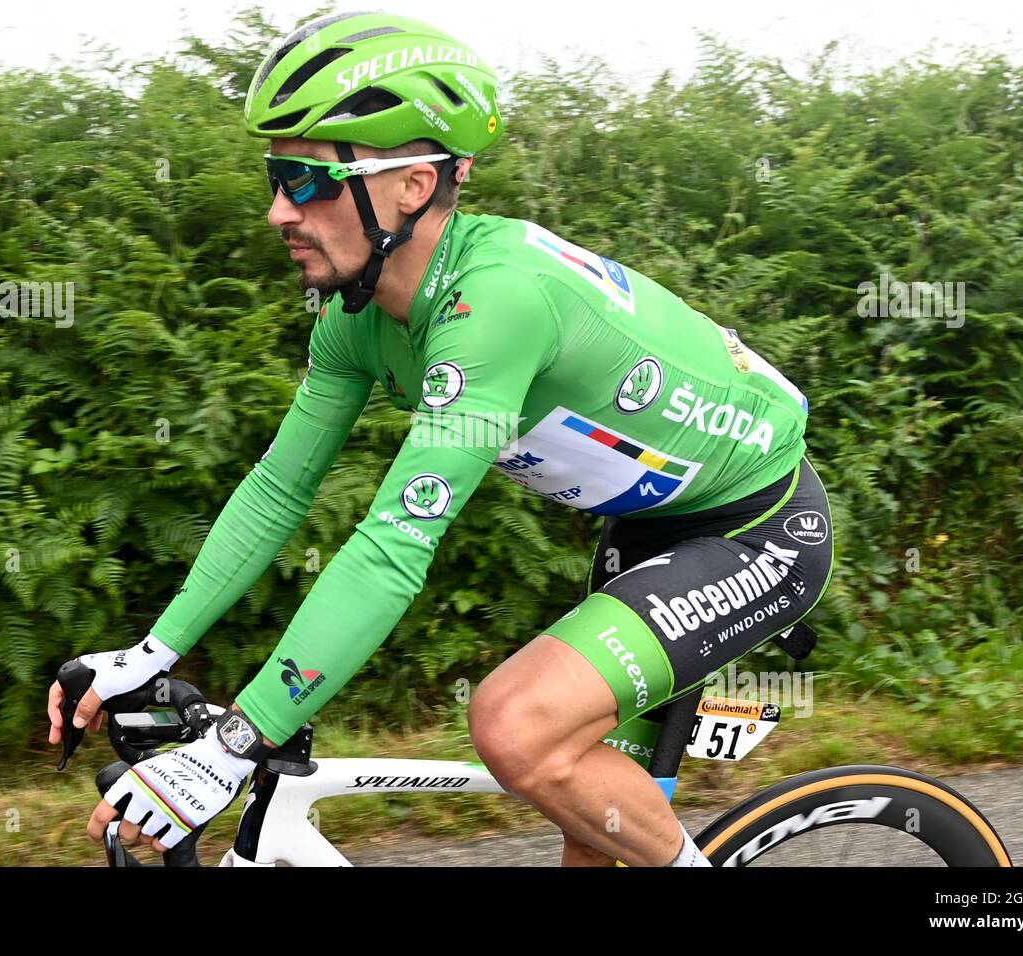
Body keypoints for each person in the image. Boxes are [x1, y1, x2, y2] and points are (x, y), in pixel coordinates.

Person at [47, 10, 834, 867]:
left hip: (758, 528)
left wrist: (236, 744)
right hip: (647, 530)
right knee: (594, 835)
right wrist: (149, 652)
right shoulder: (358, 316)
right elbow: (280, 488)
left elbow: (392, 545)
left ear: (411, 187)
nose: (278, 209)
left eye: (304, 180)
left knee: (512, 724)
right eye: (275, 177)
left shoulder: (495, 303)